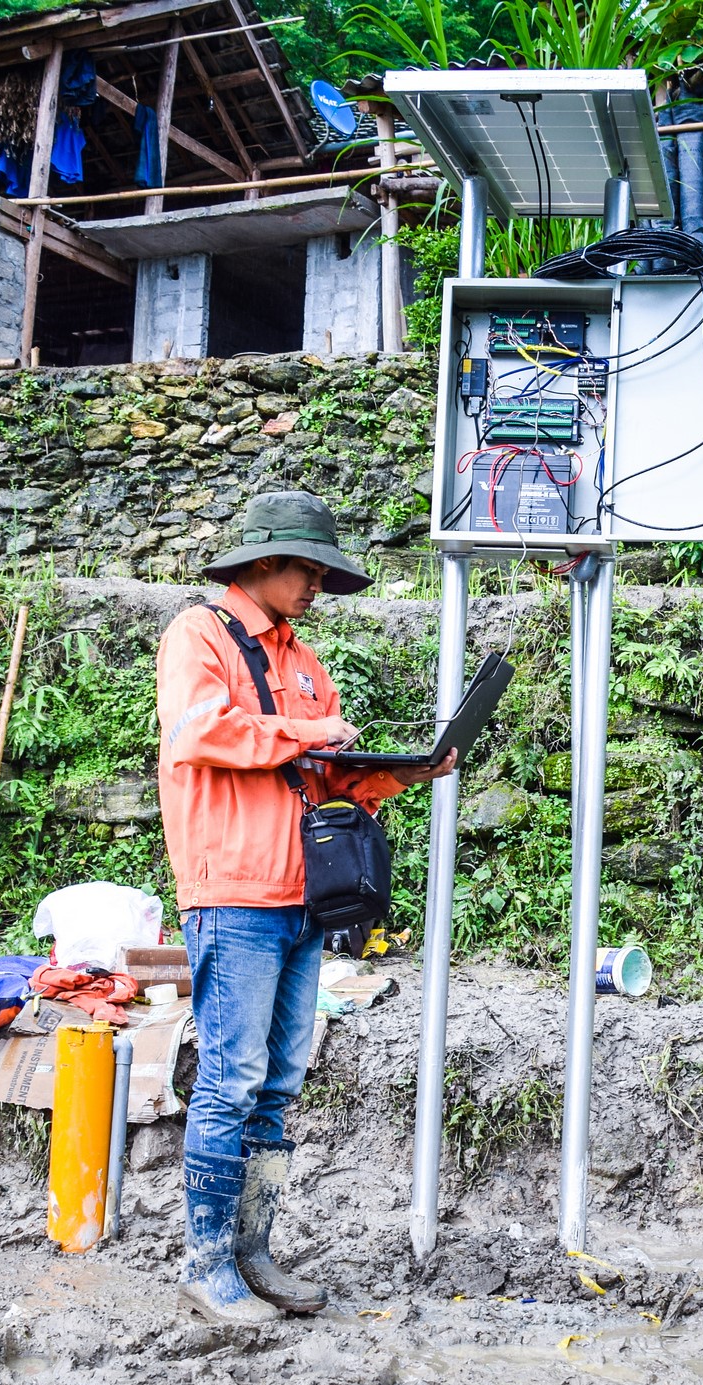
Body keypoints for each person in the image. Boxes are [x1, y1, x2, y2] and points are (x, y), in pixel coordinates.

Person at [155, 491, 455, 1324]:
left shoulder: (304, 660)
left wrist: (404, 772)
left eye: (323, 571)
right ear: (261, 563)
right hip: (233, 893)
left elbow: (326, 780)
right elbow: (200, 733)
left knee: (278, 1084)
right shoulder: (199, 636)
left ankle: (254, 1256)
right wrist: (305, 732)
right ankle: (206, 1264)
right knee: (230, 1078)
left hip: (302, 898)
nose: (318, 582)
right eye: (308, 567)